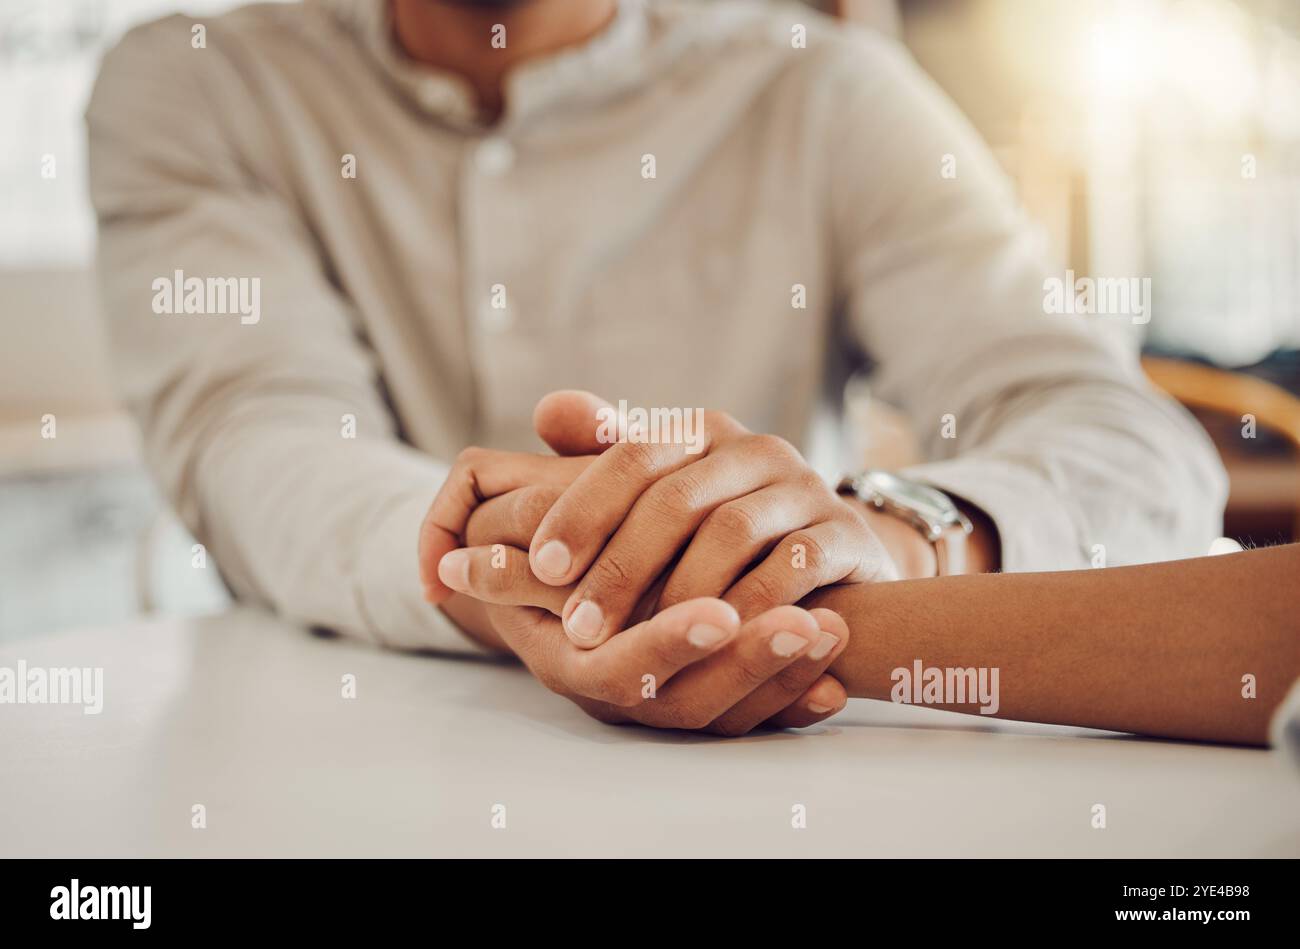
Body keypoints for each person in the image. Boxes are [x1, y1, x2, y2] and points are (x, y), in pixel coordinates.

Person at [88, 0, 1225, 733]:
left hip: (780, 769)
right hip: (326, 783)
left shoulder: (824, 91)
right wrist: (537, 569)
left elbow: (1122, 438)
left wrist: (879, 536)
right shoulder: (197, 85)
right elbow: (259, 446)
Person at [431, 391, 1300, 745]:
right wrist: (506, 572)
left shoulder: (823, 89)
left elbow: (1144, 449)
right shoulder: (291, 96)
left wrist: (895, 536)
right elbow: (294, 458)